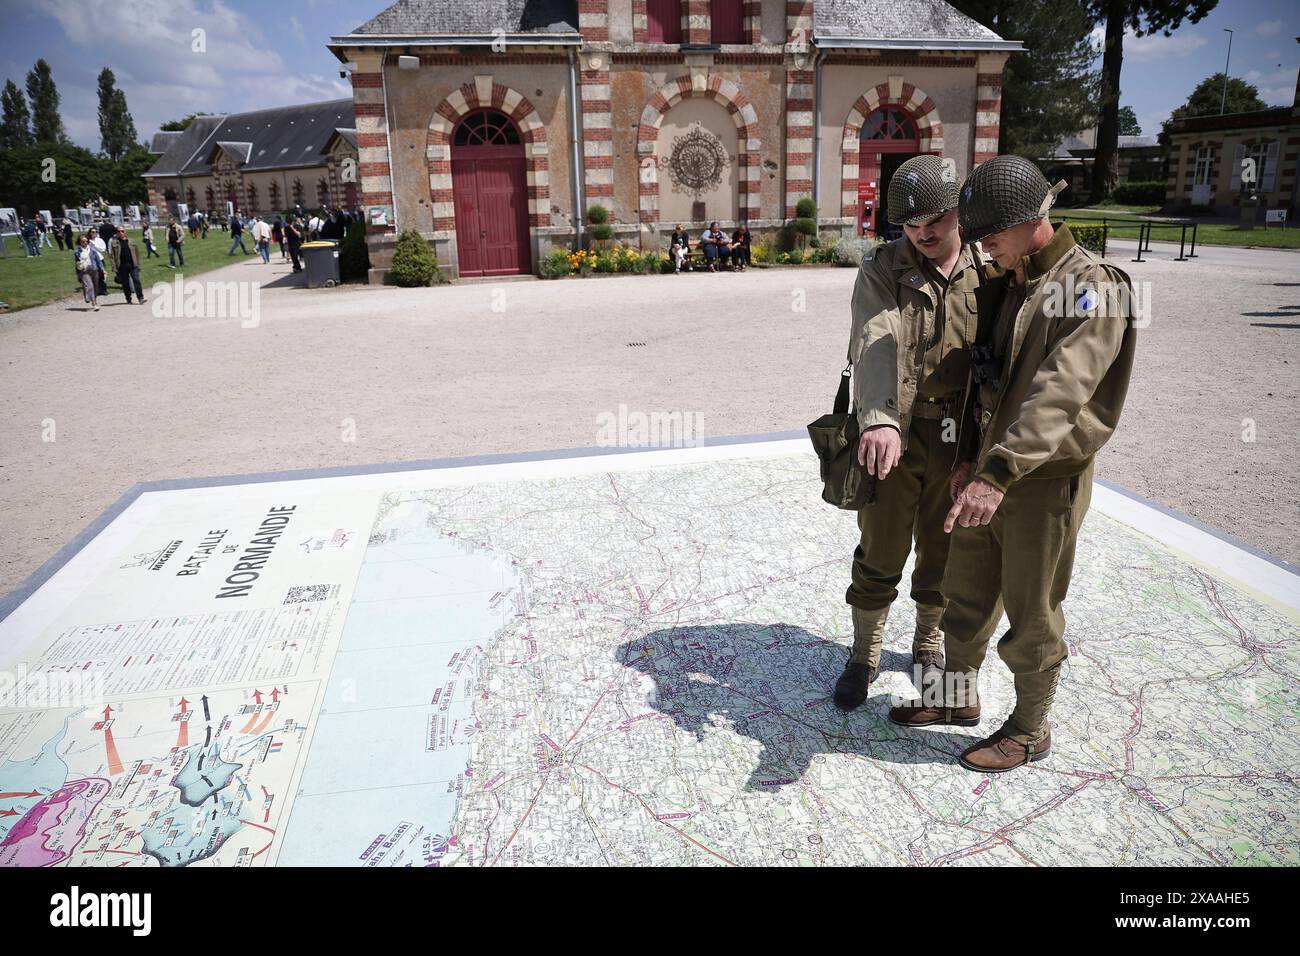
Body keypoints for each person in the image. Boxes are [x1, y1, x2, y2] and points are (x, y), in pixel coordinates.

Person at [889, 155, 1138, 773]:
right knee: (965, 594)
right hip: (985, 475)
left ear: (1034, 221)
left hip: (1038, 482)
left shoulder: (1090, 287)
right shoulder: (1019, 281)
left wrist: (999, 474)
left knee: (1032, 609)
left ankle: (1030, 730)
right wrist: (971, 459)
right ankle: (955, 701)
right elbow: (992, 379)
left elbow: (1058, 390)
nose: (982, 248)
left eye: (991, 237)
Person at [832, 154, 985, 710]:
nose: (922, 234)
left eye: (934, 222)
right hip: (895, 433)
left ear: (957, 215)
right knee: (881, 548)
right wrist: (878, 419)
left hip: (959, 437)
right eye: (911, 224)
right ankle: (864, 653)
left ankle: (928, 643)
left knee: (945, 549)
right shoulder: (883, 268)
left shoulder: (986, 269)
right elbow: (877, 339)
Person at [110, 226, 145, 304]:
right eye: (119, 231)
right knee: (125, 283)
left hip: (133, 265)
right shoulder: (114, 242)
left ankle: (140, 298)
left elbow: (137, 253)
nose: (120, 233)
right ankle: (128, 299)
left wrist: (138, 264)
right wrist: (114, 267)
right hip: (122, 266)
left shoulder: (131, 241)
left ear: (125, 232)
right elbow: (112, 256)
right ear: (117, 233)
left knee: (136, 281)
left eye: (122, 231)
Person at [73, 234, 100, 311]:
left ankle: (89, 296)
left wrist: (102, 269)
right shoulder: (77, 252)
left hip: (94, 269)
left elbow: (98, 260)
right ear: (79, 242)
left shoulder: (92, 250)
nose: (85, 243)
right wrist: (78, 274)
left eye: (86, 241)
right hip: (84, 270)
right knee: (89, 286)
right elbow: (77, 263)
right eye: (83, 241)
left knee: (95, 287)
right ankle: (94, 303)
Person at [87, 227, 108, 295]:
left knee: (102, 274)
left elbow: (103, 249)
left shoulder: (100, 240)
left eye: (95, 232)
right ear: (90, 233)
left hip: (100, 259)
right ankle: (97, 290)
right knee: (94, 275)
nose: (94, 233)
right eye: (93, 232)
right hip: (91, 260)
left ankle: (104, 290)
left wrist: (94, 245)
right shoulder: (87, 241)